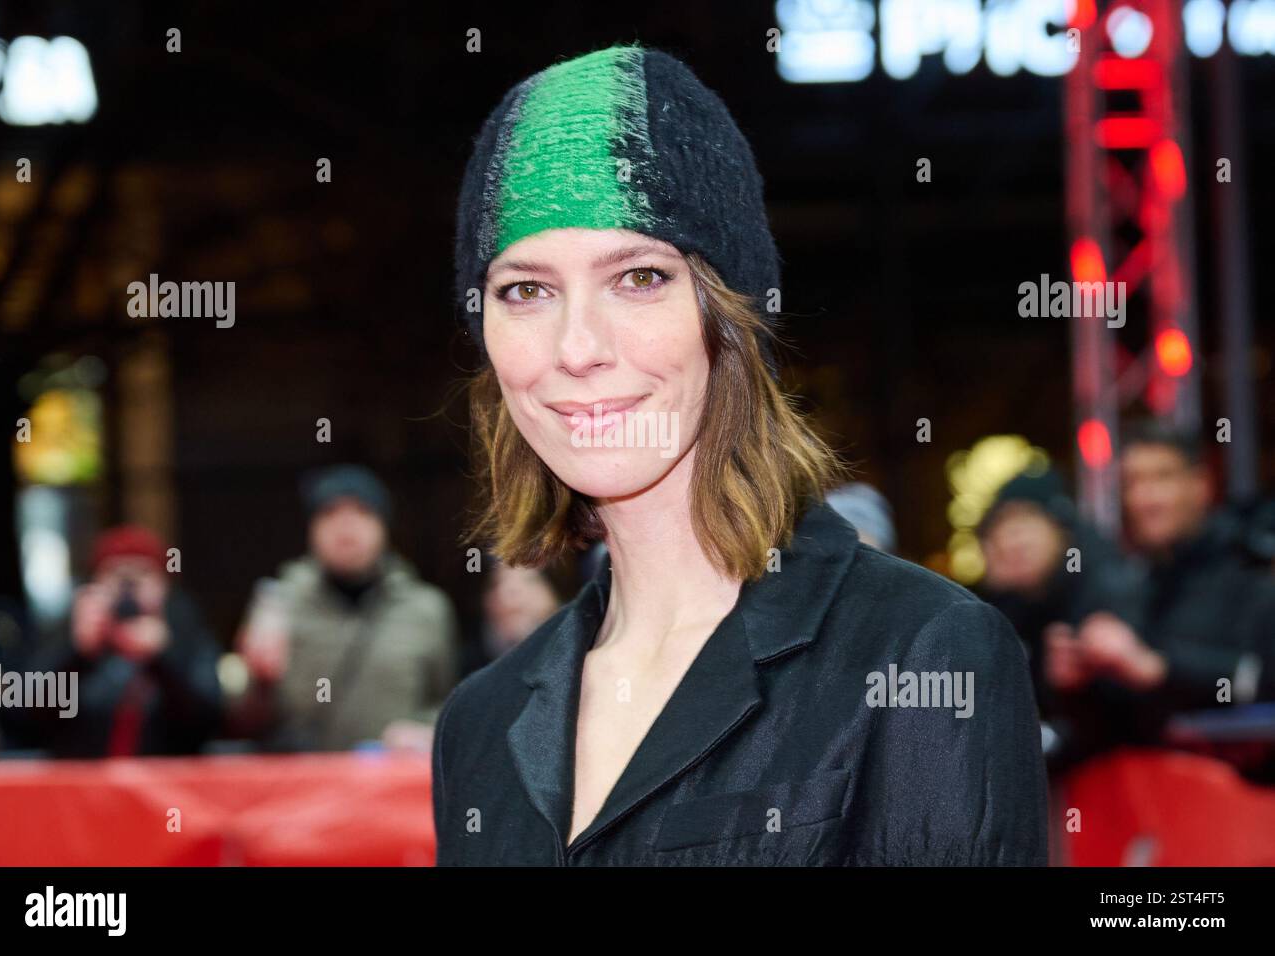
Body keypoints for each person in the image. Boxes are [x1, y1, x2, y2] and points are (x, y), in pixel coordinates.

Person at [432, 44, 1047, 866]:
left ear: (728, 318)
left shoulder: (921, 653)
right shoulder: (480, 723)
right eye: (525, 290)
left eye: (639, 277)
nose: (575, 347)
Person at [1044, 424, 1275, 739]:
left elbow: (1256, 681)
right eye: (1132, 483)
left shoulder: (1253, 572)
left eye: (1161, 478)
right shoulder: (1125, 586)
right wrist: (1075, 686)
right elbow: (1121, 725)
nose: (1143, 499)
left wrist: (1159, 668)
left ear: (1201, 484)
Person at [235, 465, 459, 752]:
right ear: (310, 529)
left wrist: (424, 731)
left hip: (393, 786)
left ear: (384, 526)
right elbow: (242, 722)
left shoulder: (426, 610)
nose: (346, 527)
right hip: (299, 787)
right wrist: (261, 683)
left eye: (362, 512)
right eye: (330, 513)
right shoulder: (278, 604)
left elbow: (449, 704)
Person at [977, 468, 1144, 770]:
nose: (1011, 541)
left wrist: (1072, 689)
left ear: (1061, 529)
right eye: (1001, 527)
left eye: (1025, 524)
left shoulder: (1104, 588)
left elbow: (1128, 712)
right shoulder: (1011, 601)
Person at [33, 525, 222, 758]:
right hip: (81, 786)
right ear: (94, 583)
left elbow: (210, 722)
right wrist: (77, 654)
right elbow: (25, 720)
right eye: (116, 573)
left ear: (163, 584)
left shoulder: (186, 632)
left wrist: (162, 659)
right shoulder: (65, 631)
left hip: (164, 787)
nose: (128, 586)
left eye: (142, 573)